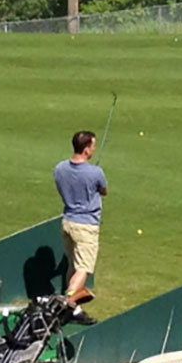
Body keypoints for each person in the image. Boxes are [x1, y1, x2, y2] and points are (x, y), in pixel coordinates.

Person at [53, 129, 108, 325]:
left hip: (67, 222)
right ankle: (67, 304)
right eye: (92, 145)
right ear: (86, 149)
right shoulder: (95, 172)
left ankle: (75, 309)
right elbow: (104, 191)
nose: (94, 148)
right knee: (83, 268)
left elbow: (61, 189)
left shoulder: (59, 168)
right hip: (86, 227)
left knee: (73, 267)